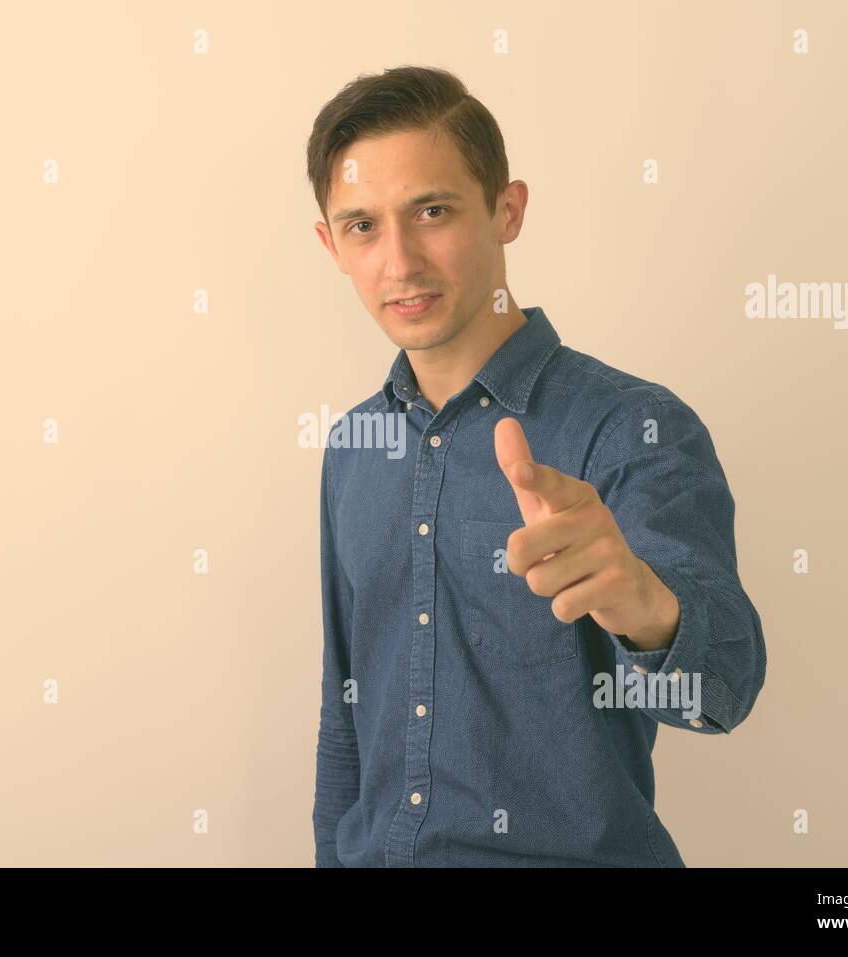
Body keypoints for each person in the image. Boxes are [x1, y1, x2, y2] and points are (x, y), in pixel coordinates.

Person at [307, 65, 766, 867]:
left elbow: (723, 688)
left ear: (506, 210)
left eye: (433, 210)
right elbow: (344, 715)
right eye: (362, 226)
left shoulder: (634, 426)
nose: (400, 260)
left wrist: (648, 608)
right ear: (330, 246)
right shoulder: (353, 445)